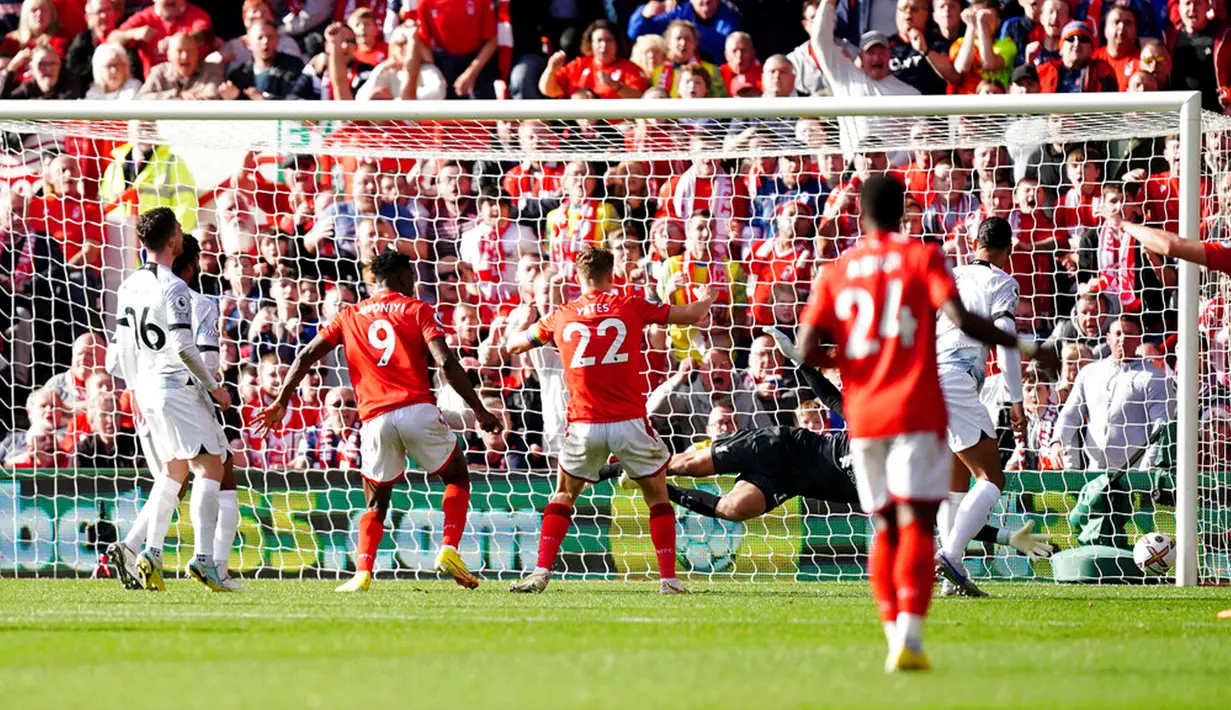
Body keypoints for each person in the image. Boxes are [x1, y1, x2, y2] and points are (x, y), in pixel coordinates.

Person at [796, 175, 1031, 672]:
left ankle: (890, 634)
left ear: (859, 216)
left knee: (885, 528)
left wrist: (856, 358)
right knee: (919, 525)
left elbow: (806, 351)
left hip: (865, 411)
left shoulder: (839, 268)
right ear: (903, 213)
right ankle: (912, 637)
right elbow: (965, 322)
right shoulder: (922, 258)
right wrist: (1026, 350)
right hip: (914, 404)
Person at [255, 251, 501, 593]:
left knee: (376, 499)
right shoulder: (418, 309)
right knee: (457, 475)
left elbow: (305, 355)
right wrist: (479, 409)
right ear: (402, 279)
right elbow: (445, 362)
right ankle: (448, 548)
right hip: (417, 409)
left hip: (374, 419)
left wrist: (282, 399)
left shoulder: (348, 315)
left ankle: (362, 573)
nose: (414, 284)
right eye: (411, 278)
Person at [502, 246, 718, 594]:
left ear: (578, 277)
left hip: (584, 424)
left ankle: (541, 571)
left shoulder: (560, 315)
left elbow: (514, 347)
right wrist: (707, 298)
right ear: (612, 275)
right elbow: (691, 315)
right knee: (657, 496)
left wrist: (521, 325)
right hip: (629, 422)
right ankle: (668, 580)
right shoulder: (629, 304)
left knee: (563, 495)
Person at [107, 233, 245, 592]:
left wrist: (137, 386)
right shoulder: (196, 302)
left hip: (145, 397)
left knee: (176, 474)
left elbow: (113, 359)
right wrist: (214, 384)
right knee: (213, 471)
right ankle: (205, 562)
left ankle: (139, 548)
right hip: (183, 395)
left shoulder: (136, 292)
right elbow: (207, 358)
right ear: (192, 263)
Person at [932, 216, 1025, 598]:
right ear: (1010, 249)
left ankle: (951, 577)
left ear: (973, 243)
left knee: (955, 482)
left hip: (924, 380)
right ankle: (951, 555)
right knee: (992, 478)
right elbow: (1005, 341)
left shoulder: (950, 276)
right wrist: (1016, 400)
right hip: (954, 379)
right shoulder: (1003, 282)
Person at [1049, 315, 1173, 470]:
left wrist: (1146, 471)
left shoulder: (1154, 377)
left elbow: (1161, 426)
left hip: (1134, 473)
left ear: (1138, 340)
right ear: (1108, 338)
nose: (1123, 339)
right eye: (1118, 334)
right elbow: (1071, 414)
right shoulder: (1089, 373)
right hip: (1094, 472)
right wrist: (1057, 442)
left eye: (1129, 335)